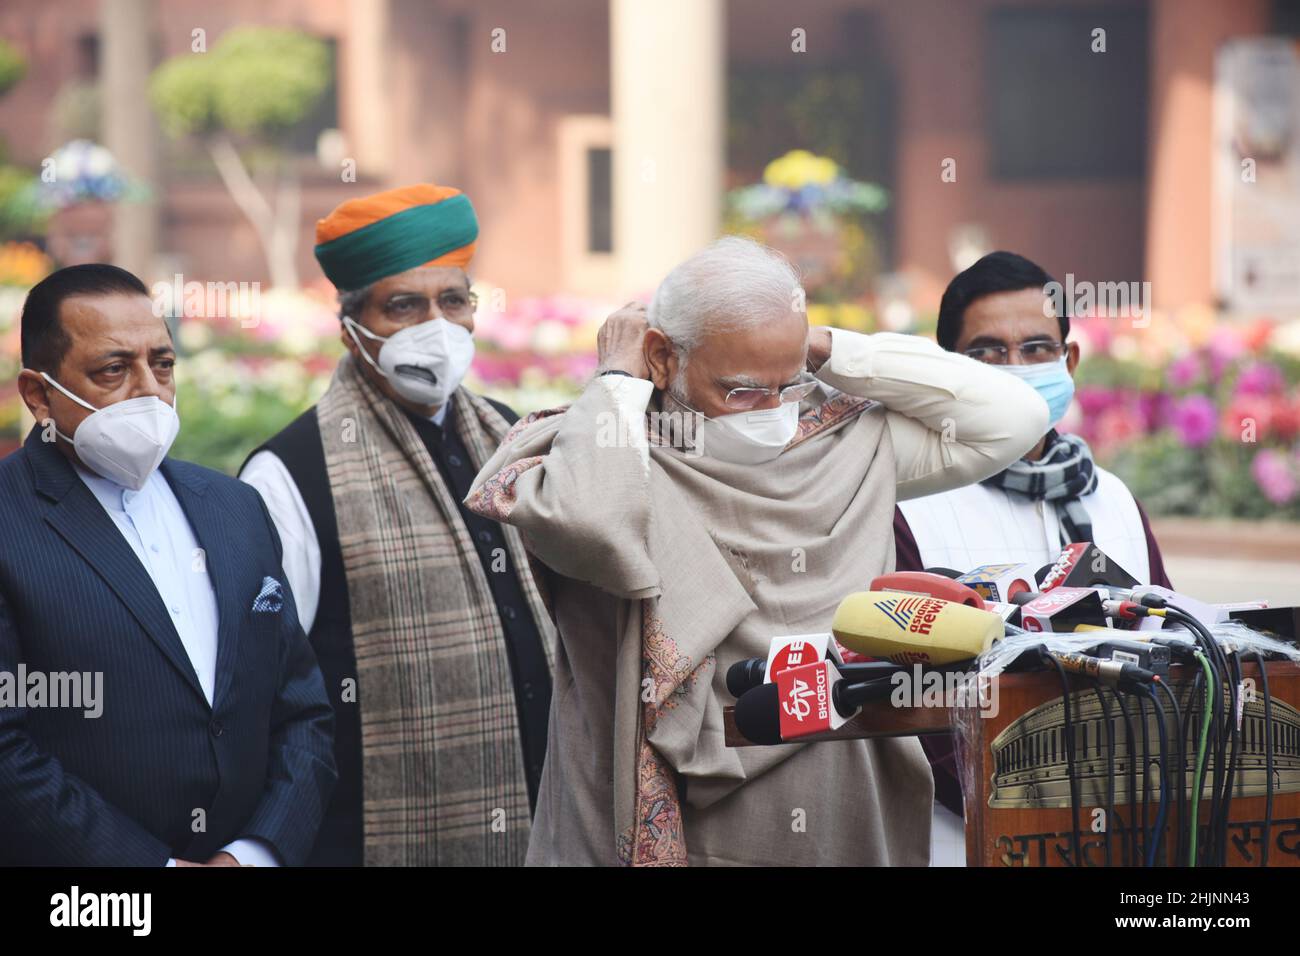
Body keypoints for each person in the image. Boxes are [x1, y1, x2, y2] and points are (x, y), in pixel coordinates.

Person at [466, 236, 1048, 865]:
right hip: (681, 829)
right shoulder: (608, 453)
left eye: (787, 383)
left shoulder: (838, 443)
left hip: (847, 804)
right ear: (661, 358)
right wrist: (614, 380)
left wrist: (818, 345)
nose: (770, 412)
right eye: (741, 390)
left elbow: (1012, 416)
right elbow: (592, 526)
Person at [240, 183, 555, 866]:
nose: (434, 326)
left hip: (543, 825)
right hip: (372, 835)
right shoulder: (290, 475)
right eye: (403, 305)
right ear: (351, 323)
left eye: (452, 301)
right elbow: (263, 690)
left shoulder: (510, 436)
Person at [0, 264, 335, 866]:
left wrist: (253, 853)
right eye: (113, 369)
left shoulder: (234, 507)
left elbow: (301, 706)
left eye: (162, 364)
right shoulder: (9, 520)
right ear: (39, 394)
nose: (150, 391)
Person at [893, 250, 1173, 866]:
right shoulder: (910, 503)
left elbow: (1173, 651)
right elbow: (903, 701)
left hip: (1124, 835)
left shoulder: (1114, 499)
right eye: (988, 352)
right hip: (960, 838)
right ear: (950, 372)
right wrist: (1033, 805)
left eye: (1037, 348)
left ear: (1069, 360)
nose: (1014, 369)